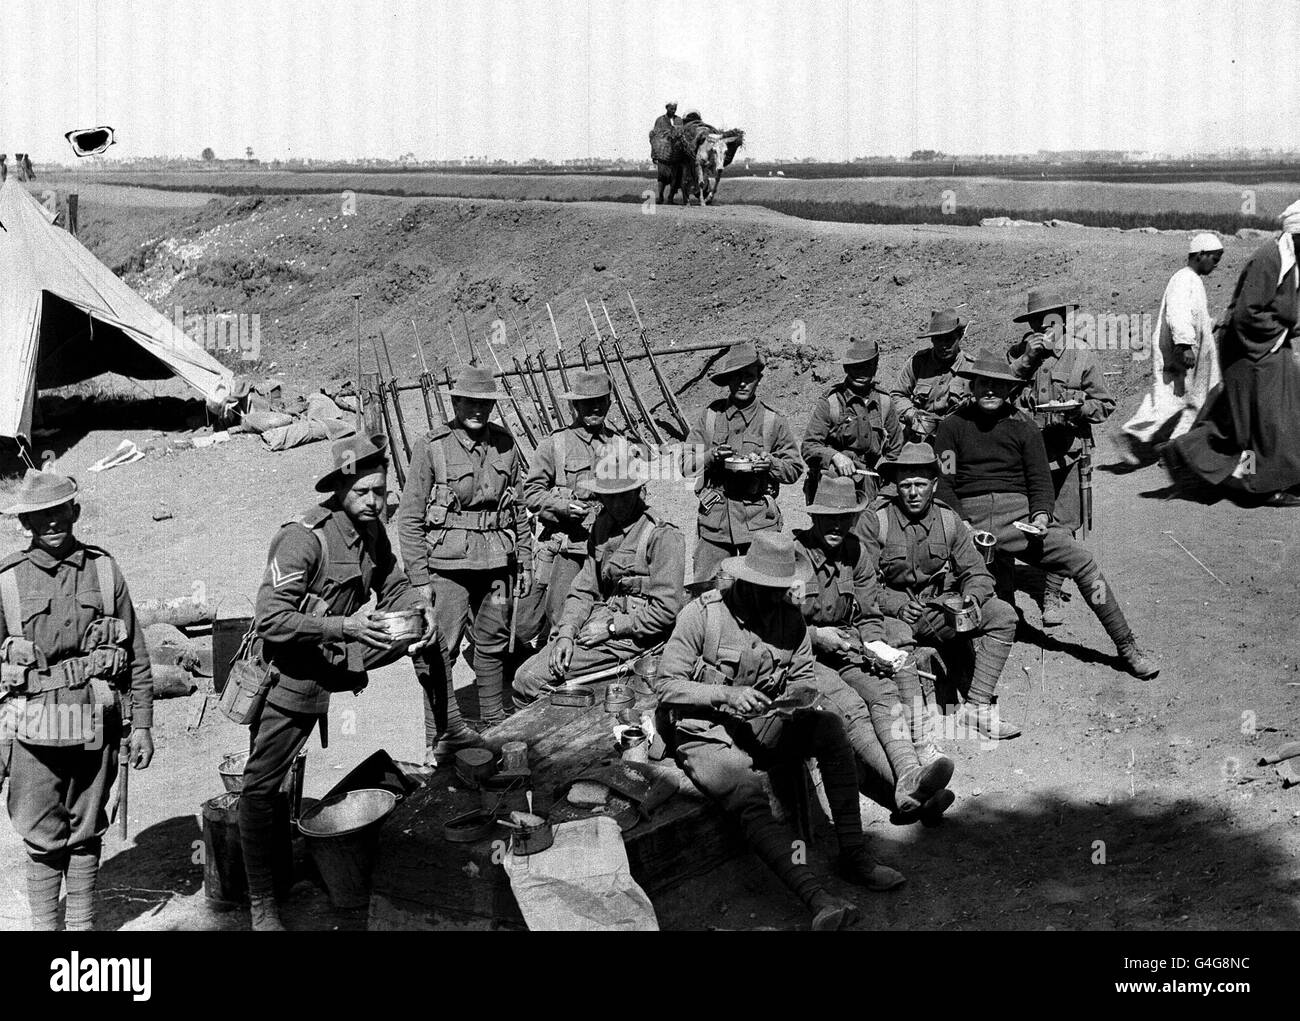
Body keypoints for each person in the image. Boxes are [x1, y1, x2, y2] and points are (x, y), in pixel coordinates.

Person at [654, 534, 905, 931]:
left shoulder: (789, 617)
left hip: (762, 721)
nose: (777, 596)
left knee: (829, 728)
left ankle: (854, 856)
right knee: (747, 792)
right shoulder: (702, 615)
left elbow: (804, 678)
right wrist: (726, 694)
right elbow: (666, 686)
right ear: (746, 581)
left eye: (781, 588)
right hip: (702, 729)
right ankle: (817, 898)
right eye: (768, 588)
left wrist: (793, 704)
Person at [243, 434, 438, 930]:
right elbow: (270, 619)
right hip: (292, 674)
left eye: (381, 491)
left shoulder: (372, 531)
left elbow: (393, 583)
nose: (374, 502)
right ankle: (263, 902)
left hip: (338, 657)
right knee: (262, 789)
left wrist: (419, 609)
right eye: (362, 492)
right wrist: (344, 626)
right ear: (340, 490)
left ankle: (450, 736)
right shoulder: (304, 538)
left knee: (430, 634)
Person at [932, 349, 1159, 679]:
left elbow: (1040, 480)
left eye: (998, 385)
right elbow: (945, 483)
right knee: (955, 585)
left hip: (1018, 518)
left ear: (1009, 388)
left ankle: (1127, 645)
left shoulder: (1023, 427)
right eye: (983, 384)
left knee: (1082, 561)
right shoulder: (952, 426)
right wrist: (962, 523)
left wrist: (1040, 516)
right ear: (973, 386)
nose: (990, 391)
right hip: (971, 519)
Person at [0, 471, 153, 931]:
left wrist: (143, 725)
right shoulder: (7, 581)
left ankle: (82, 930)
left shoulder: (104, 571)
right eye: (40, 515)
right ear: (26, 522)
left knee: (86, 830)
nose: (52, 522)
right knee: (41, 833)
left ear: (76, 512)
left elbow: (136, 653)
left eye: (60, 511)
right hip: (32, 728)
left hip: (94, 720)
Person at [792, 475, 956, 821]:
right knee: (852, 708)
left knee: (883, 691)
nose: (836, 526)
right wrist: (816, 635)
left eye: (844, 518)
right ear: (814, 517)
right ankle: (912, 793)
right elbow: (774, 628)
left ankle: (910, 773)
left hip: (843, 644)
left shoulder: (855, 552)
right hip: (800, 654)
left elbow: (868, 614)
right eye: (828, 518)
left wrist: (876, 646)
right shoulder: (793, 556)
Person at [398, 366, 534, 733]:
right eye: (469, 402)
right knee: (438, 647)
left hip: (499, 567)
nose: (477, 409)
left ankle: (493, 722)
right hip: (448, 569)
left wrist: (524, 560)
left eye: (484, 403)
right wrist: (419, 579)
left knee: (494, 639)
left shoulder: (505, 444)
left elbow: (518, 507)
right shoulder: (433, 446)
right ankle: (438, 735)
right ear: (456, 402)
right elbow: (409, 517)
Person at [862, 443, 1022, 740]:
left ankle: (977, 706)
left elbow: (977, 571)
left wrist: (972, 597)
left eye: (920, 485)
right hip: (894, 617)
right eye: (905, 485)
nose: (913, 493)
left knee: (1003, 615)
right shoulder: (877, 520)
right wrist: (895, 604)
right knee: (896, 636)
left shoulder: (948, 520)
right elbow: (862, 583)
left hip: (940, 610)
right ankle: (915, 728)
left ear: (934, 485)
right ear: (896, 486)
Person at [514, 454, 684, 706]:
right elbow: (584, 589)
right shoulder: (603, 526)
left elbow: (666, 610)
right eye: (608, 496)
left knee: (528, 679)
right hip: (599, 622)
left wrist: (611, 627)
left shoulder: (662, 535)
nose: (615, 504)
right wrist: (567, 633)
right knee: (536, 666)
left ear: (639, 491)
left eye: (623, 495)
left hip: (632, 636)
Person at [1165, 201, 1300, 506]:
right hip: (1249, 349)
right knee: (1262, 423)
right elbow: (1247, 314)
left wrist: (1289, 326)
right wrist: (1287, 328)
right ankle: (1257, 484)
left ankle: (1257, 474)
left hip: (1270, 347)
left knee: (1270, 415)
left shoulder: (1293, 258)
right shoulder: (1269, 259)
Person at [1006, 287, 1116, 627]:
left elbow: (1105, 404)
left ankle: (1051, 593)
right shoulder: (1017, 354)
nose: (1044, 328)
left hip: (1068, 453)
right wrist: (1026, 360)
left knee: (1065, 523)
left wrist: (1079, 408)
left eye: (1051, 320)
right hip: (1027, 454)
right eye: (1037, 322)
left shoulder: (1081, 354)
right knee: (1022, 520)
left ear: (1064, 320)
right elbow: (996, 392)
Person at [682, 341, 803, 587]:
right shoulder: (711, 417)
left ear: (759, 379)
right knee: (708, 590)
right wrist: (711, 456)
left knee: (761, 591)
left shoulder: (773, 421)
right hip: (715, 523)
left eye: (749, 376)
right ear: (728, 381)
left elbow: (794, 470)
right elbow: (686, 465)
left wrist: (770, 464)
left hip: (759, 523)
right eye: (736, 377)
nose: (743, 383)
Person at [522, 369, 628, 639]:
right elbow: (531, 493)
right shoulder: (555, 444)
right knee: (560, 618)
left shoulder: (620, 445)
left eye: (600, 401)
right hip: (568, 549)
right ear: (574, 406)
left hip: (609, 547)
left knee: (606, 615)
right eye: (587, 403)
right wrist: (561, 507)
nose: (595, 408)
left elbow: (638, 494)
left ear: (609, 403)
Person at [1120, 234, 1224, 460]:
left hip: (1189, 353)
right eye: (1214, 259)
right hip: (1179, 353)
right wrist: (1184, 344)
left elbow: (1195, 317)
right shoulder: (1183, 279)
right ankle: (1133, 436)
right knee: (1170, 399)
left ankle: (1174, 450)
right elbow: (1177, 313)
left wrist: (1212, 324)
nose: (1216, 265)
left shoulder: (1192, 280)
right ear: (1200, 255)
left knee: (1190, 401)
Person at [800, 336, 902, 507]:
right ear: (846, 368)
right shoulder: (831, 402)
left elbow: (895, 453)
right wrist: (835, 456)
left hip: (871, 487)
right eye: (856, 367)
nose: (862, 372)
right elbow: (809, 446)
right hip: (834, 485)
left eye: (867, 366)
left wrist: (886, 495)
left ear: (876, 367)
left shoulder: (884, 403)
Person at [891, 308, 971, 442]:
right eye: (938, 339)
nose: (943, 345)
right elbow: (897, 395)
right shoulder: (917, 362)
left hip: (957, 437)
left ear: (960, 336)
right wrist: (912, 415)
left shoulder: (971, 368)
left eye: (949, 339)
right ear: (932, 339)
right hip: (919, 435)